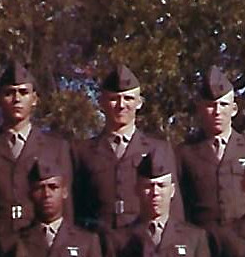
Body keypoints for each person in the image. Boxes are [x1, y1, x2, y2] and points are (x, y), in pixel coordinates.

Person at [0, 57, 73, 242]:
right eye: (9, 93)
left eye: (23, 92)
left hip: (38, 244)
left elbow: (66, 207)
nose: (16, 99)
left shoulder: (56, 148)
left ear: (34, 99)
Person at [72, 64, 179, 234]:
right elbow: (73, 206)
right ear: (101, 102)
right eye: (114, 98)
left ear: (139, 103)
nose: (121, 105)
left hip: (142, 242)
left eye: (128, 98)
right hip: (97, 241)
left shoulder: (159, 149)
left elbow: (174, 207)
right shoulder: (82, 151)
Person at [174, 66, 245, 229]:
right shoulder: (184, 154)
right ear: (200, 109)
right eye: (211, 105)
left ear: (234, 109)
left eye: (223, 105)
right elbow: (177, 204)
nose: (217, 111)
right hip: (203, 242)